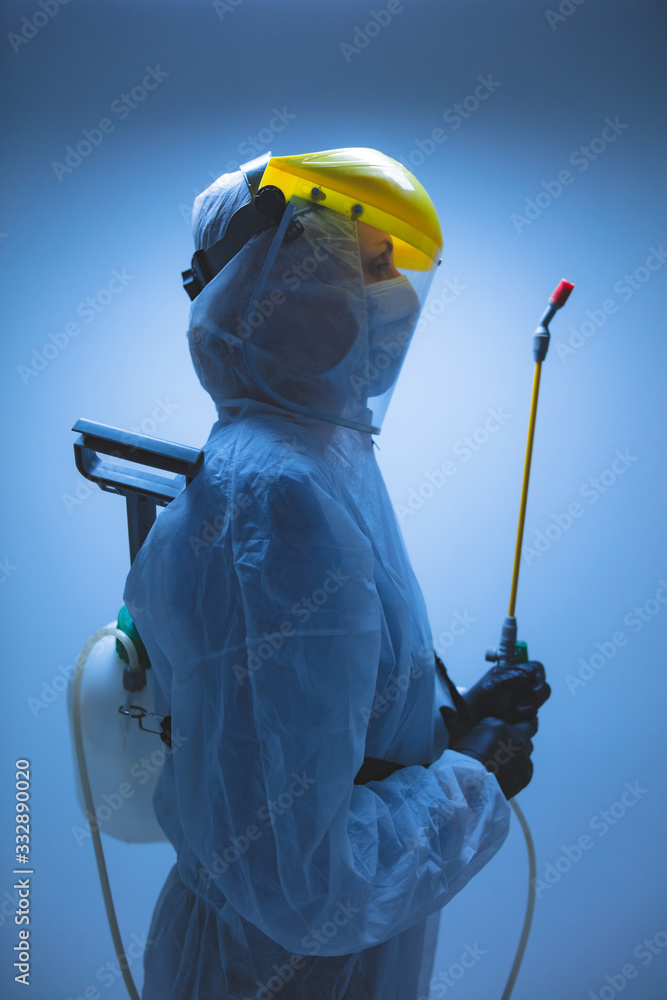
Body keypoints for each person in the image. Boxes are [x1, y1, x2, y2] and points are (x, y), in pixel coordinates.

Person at [123, 148, 550, 1000]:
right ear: (268, 285)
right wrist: (475, 778)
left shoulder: (311, 466)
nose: (391, 298)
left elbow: (311, 741)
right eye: (364, 266)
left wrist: (451, 727)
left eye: (394, 270)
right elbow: (305, 883)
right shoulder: (278, 497)